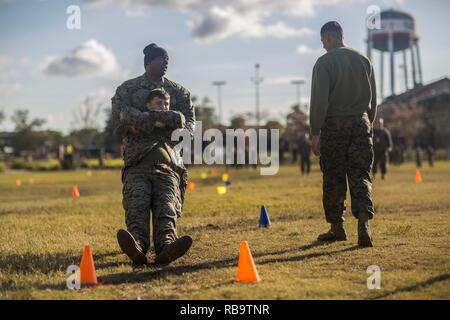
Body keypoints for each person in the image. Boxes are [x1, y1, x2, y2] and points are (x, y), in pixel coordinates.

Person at [111, 43, 195, 266]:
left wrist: (145, 121)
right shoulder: (127, 89)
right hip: (138, 163)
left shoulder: (180, 92)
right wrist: (159, 121)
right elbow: (120, 119)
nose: (165, 62)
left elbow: (186, 125)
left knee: (167, 208)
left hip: (170, 164)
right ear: (148, 62)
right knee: (137, 208)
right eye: (161, 58)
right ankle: (136, 246)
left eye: (167, 58)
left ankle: (167, 247)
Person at [309, 21, 377, 247]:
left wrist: (315, 131)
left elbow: (319, 101)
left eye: (322, 41)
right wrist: (368, 124)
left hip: (334, 125)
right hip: (361, 122)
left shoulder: (325, 62)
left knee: (333, 176)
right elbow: (374, 101)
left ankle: (337, 228)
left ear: (328, 37)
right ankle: (364, 224)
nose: (323, 46)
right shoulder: (363, 60)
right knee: (361, 174)